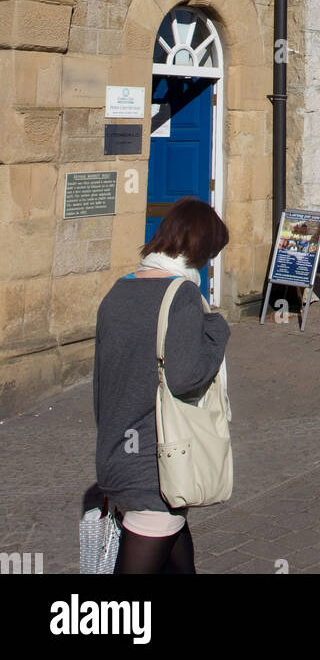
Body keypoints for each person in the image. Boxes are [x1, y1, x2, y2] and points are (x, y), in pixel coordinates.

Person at [93, 198, 230, 574]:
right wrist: (217, 333)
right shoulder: (182, 296)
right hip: (156, 470)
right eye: (209, 255)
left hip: (115, 458)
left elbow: (101, 387)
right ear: (199, 250)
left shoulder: (118, 290)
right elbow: (185, 379)